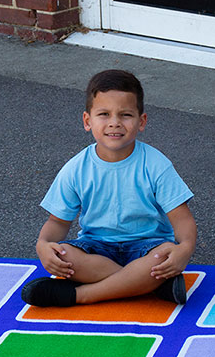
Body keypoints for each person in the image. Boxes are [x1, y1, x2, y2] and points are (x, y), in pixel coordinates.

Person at [20, 69, 197, 307]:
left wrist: (184, 249)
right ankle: (149, 286)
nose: (115, 122)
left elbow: (182, 218)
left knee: (164, 254)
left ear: (141, 121)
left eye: (125, 115)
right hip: (97, 248)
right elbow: (58, 222)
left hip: (147, 247)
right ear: (87, 121)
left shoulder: (156, 164)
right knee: (65, 254)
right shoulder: (76, 168)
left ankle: (80, 295)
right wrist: (43, 246)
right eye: (104, 114)